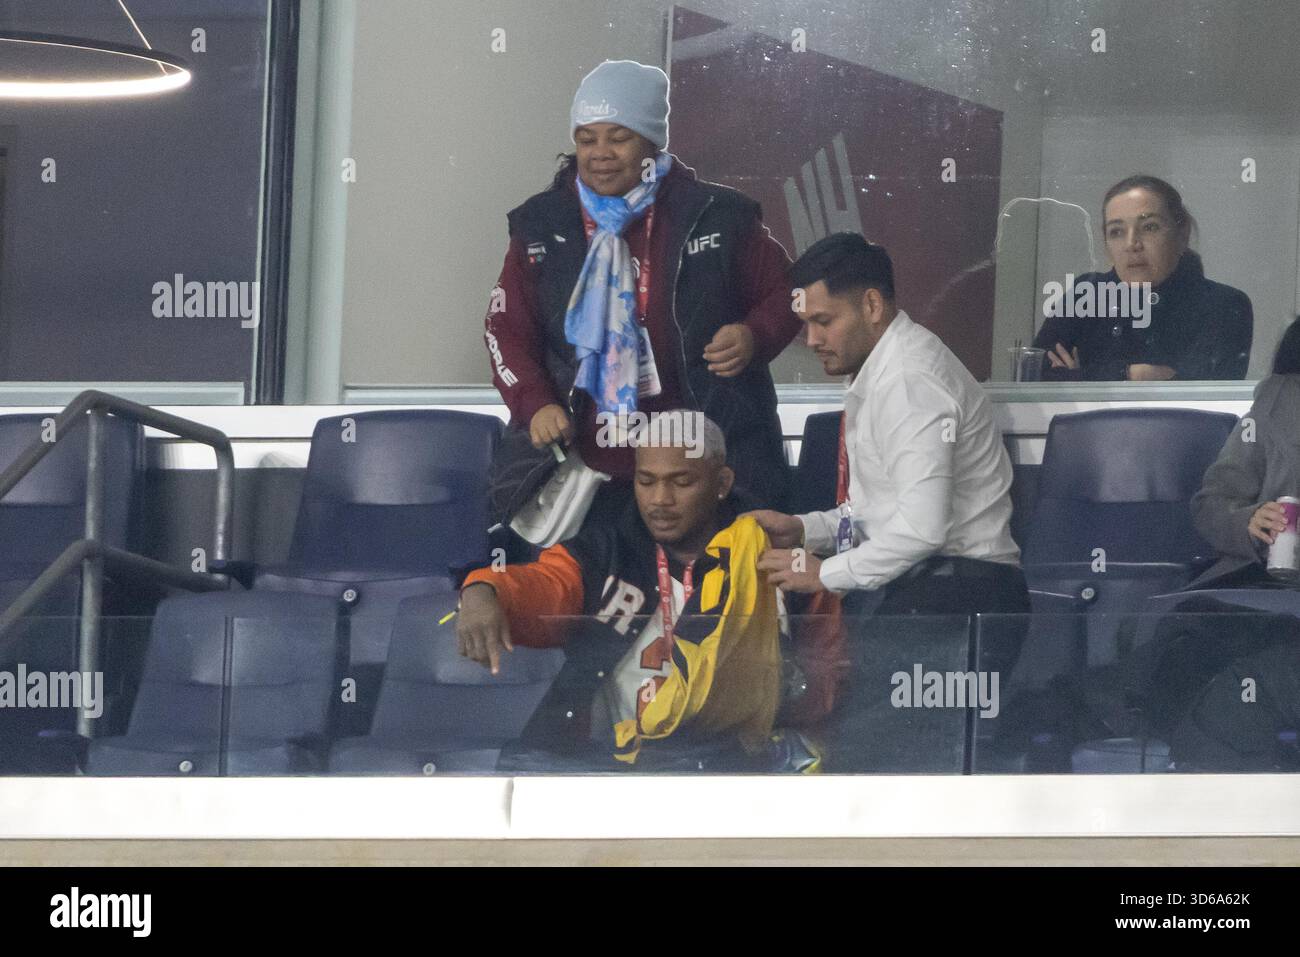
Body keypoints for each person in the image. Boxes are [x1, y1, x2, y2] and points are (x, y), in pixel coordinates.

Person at [484, 59, 799, 523]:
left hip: (701, 467)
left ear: (651, 142)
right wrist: (536, 403)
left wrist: (755, 334)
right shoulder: (541, 224)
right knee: (573, 590)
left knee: (710, 589)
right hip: (585, 465)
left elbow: (792, 294)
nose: (600, 153)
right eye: (586, 139)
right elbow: (504, 329)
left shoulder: (717, 215)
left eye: (619, 136)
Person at [457, 412, 826, 772]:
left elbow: (827, 682)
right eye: (646, 481)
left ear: (722, 483)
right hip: (612, 769)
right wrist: (485, 587)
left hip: (741, 773)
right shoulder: (607, 549)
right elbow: (546, 585)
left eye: (681, 482)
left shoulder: (772, 558)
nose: (659, 499)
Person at [747, 233, 1029, 622]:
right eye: (805, 324)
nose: (811, 340)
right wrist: (802, 530)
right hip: (934, 589)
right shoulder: (884, 372)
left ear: (872, 305)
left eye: (823, 321)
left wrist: (824, 573)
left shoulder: (908, 381)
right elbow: (876, 513)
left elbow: (921, 530)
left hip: (962, 598)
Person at [1034, 174, 1253, 381]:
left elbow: (1202, 393)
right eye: (1117, 232)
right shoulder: (1088, 293)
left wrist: (1080, 376)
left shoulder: (1223, 304)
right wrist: (1130, 374)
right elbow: (1035, 375)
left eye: (1149, 227)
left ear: (1182, 233)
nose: (1131, 244)